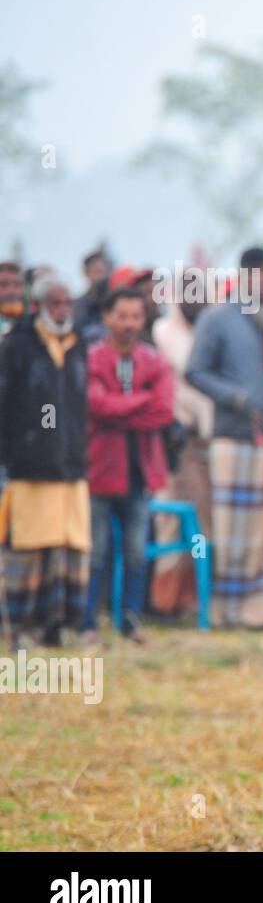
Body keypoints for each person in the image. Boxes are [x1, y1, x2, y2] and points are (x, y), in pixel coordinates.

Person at [186, 247, 263, 628]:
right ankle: (230, 612)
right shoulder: (218, 318)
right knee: (234, 530)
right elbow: (196, 372)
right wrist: (236, 397)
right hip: (234, 437)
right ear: (248, 276)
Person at [0, 275, 91, 647]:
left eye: (67, 303)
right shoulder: (18, 346)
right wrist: (20, 447)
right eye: (55, 303)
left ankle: (59, 626)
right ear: (38, 305)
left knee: (68, 550)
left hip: (71, 467)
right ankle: (20, 629)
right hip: (30, 468)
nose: (63, 310)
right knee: (29, 551)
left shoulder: (77, 345)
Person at [82, 288, 174, 645]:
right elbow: (94, 406)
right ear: (107, 317)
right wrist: (141, 403)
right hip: (99, 469)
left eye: (136, 317)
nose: (129, 324)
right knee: (97, 552)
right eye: (122, 317)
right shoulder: (91, 359)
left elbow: (164, 410)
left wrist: (119, 407)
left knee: (136, 552)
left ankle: (130, 622)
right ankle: (88, 623)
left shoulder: (154, 360)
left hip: (140, 471)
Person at [150, 289, 215, 616]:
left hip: (206, 438)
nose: (195, 298)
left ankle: (194, 598)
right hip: (172, 439)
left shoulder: (207, 329)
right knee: (169, 519)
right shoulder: (162, 331)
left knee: (203, 520)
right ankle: (166, 599)